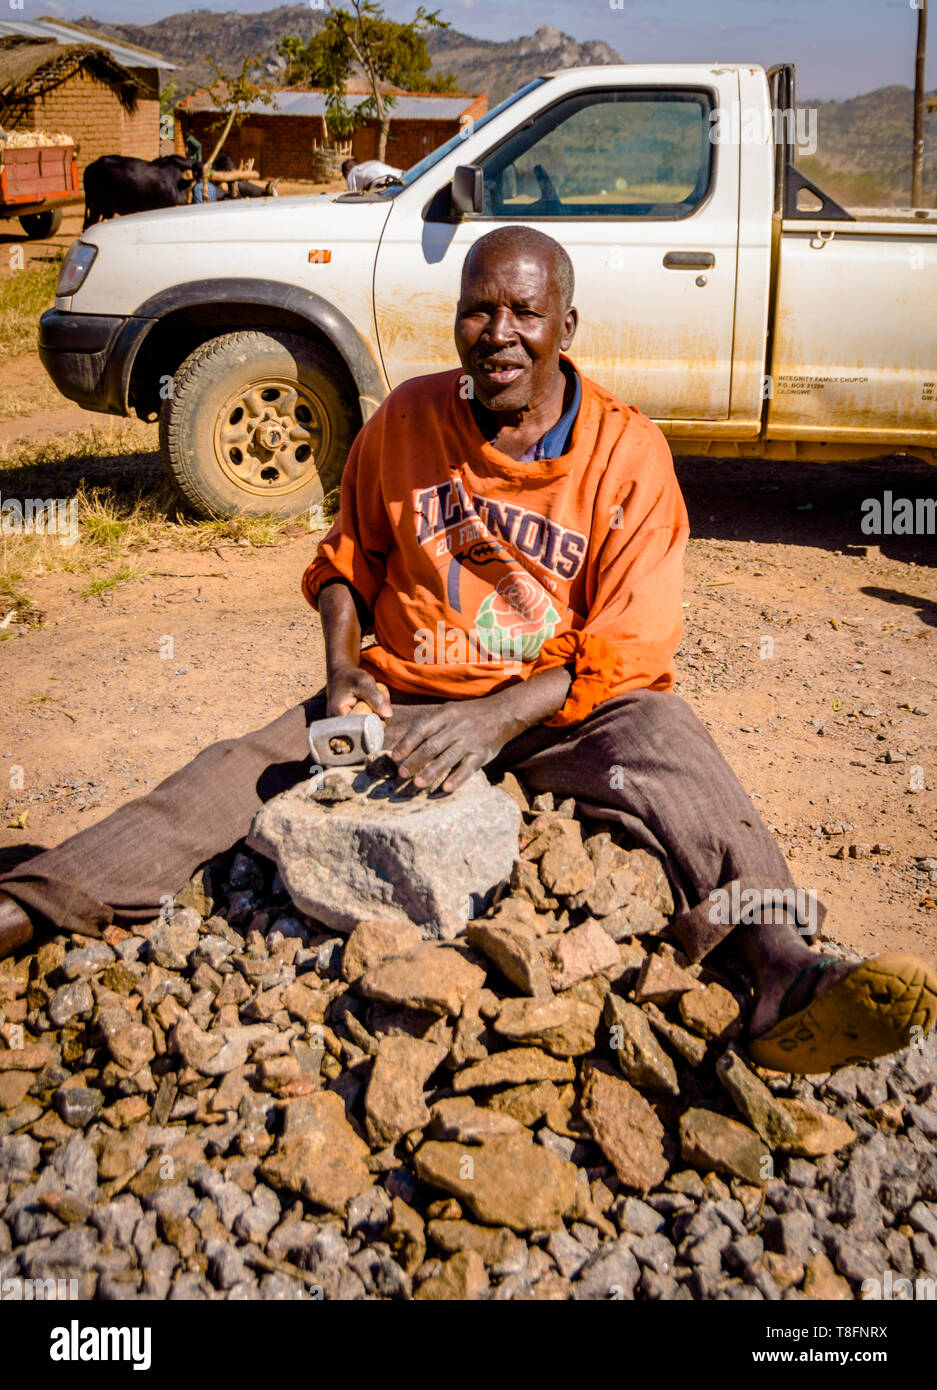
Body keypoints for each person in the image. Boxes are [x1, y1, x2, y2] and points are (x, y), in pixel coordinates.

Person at [1, 226, 934, 1075]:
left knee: (673, 747)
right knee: (225, 775)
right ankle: (31, 902)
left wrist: (495, 718)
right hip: (401, 699)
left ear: (566, 323)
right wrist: (341, 668)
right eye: (476, 310)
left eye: (524, 311)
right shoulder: (404, 420)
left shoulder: (626, 453)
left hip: (558, 709)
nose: (498, 332)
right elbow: (344, 562)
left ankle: (782, 971)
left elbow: (631, 645)